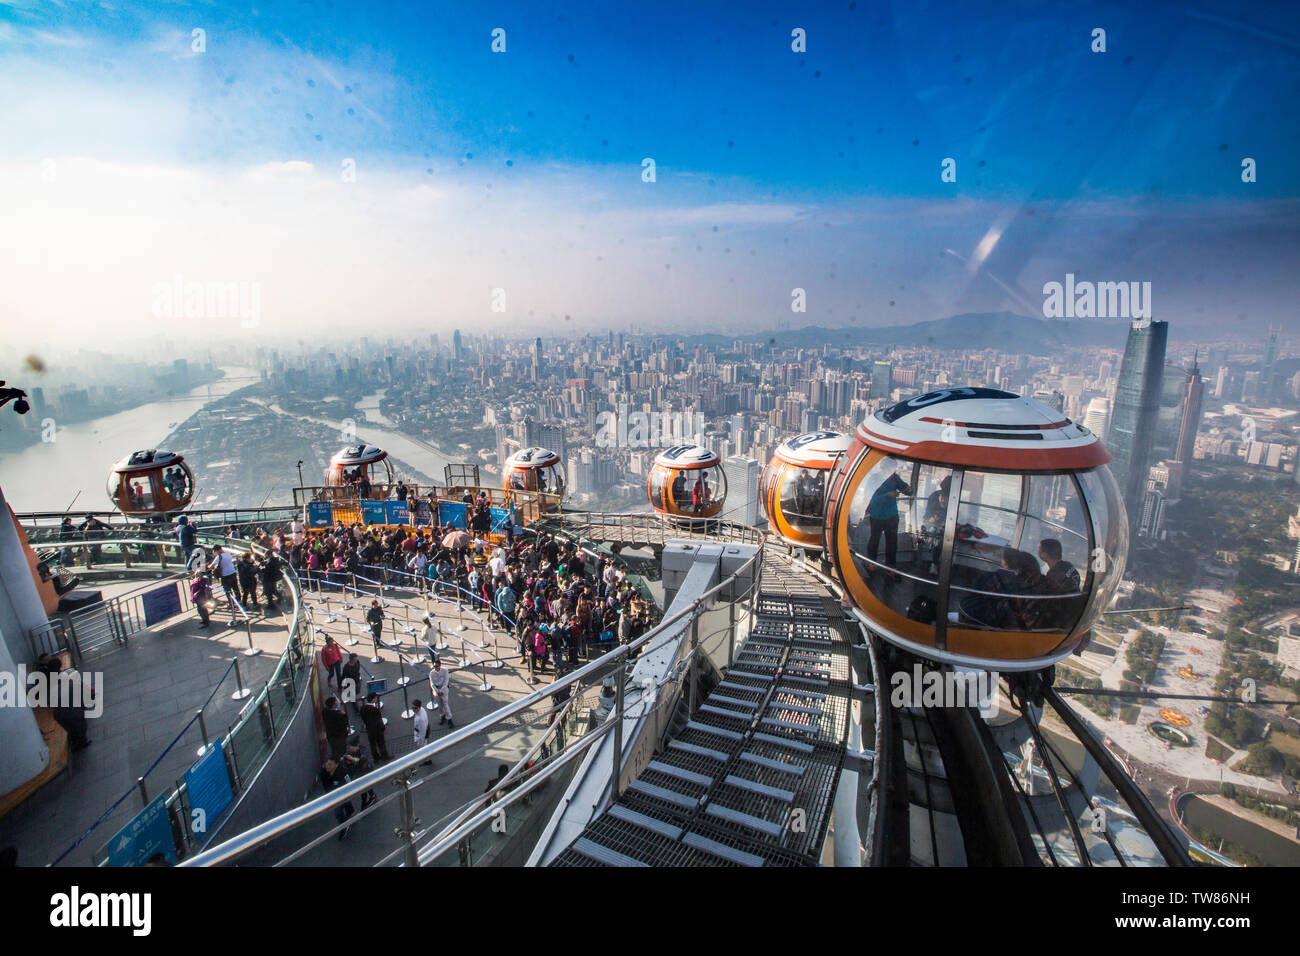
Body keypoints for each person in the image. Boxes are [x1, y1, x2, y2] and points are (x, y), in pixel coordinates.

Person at [865, 471, 912, 573]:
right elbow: (870, 498)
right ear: (883, 467)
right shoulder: (874, 478)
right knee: (874, 540)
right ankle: (871, 563)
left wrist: (907, 489)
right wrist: (888, 495)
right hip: (877, 515)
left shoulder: (895, 478)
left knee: (892, 542)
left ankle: (890, 566)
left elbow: (908, 491)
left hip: (892, 516)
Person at [1036, 538, 1083, 629]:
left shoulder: (1053, 576)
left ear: (1045, 555)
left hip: (1061, 621)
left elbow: (1048, 601)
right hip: (1074, 614)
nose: (1037, 551)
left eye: (1039, 549)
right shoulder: (1068, 566)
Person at [320, 758, 355, 839]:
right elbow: (326, 786)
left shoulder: (342, 772)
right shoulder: (324, 773)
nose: (327, 766)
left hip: (343, 793)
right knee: (341, 806)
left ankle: (344, 826)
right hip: (333, 795)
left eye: (330, 764)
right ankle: (350, 810)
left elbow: (349, 783)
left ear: (336, 765)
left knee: (338, 812)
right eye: (327, 764)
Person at [208, 546, 240, 623]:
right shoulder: (228, 554)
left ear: (217, 551)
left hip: (225, 576)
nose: (214, 553)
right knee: (236, 588)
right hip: (232, 573)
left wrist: (207, 566)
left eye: (214, 552)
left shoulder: (218, 557)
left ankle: (231, 604)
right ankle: (239, 601)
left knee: (228, 591)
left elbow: (211, 567)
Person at [359, 691, 390, 762]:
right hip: (377, 729)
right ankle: (384, 756)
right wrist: (382, 728)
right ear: (373, 699)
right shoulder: (375, 709)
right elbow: (379, 720)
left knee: (372, 745)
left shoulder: (363, 708)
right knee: (381, 743)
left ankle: (376, 758)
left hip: (369, 729)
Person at [429, 657, 454, 728]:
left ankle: (449, 718)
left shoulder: (445, 670)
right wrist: (437, 691)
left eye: (436, 666)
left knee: (445, 704)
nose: (435, 668)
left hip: (444, 690)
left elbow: (446, 681)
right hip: (437, 691)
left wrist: (441, 690)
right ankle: (442, 716)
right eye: (434, 666)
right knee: (440, 705)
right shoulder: (431, 673)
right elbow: (432, 684)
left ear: (440, 665)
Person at [322, 695, 350, 759]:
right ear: (334, 705)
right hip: (339, 737)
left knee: (334, 751)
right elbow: (344, 724)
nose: (338, 702)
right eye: (336, 701)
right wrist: (344, 715)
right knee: (341, 752)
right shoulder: (337, 715)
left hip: (330, 736)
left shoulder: (325, 711)